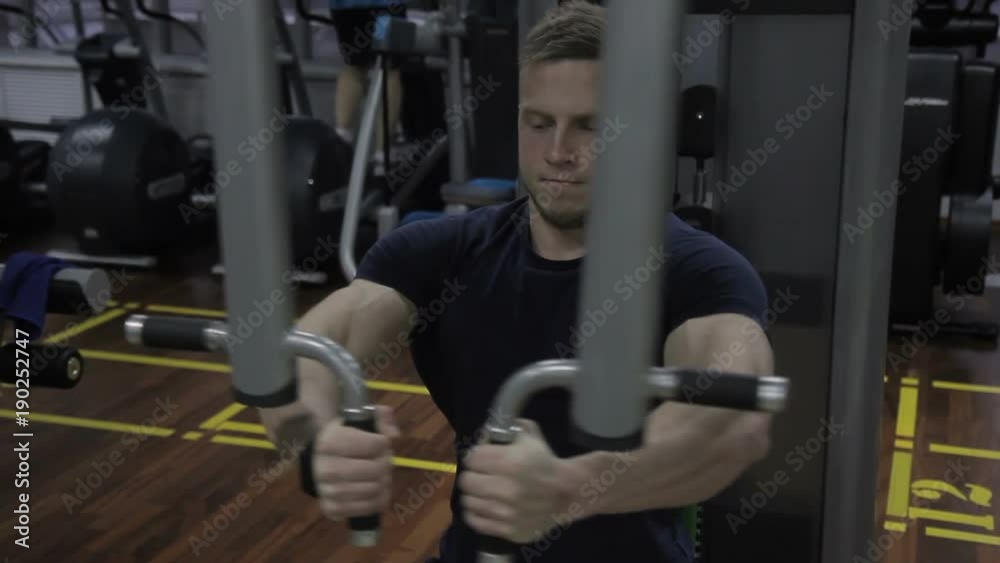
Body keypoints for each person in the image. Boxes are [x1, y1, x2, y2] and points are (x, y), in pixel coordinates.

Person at [260, 2, 776, 562]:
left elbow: (730, 424)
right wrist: (318, 444)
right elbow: (304, 355)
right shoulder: (444, 251)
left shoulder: (700, 270)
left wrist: (565, 488)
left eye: (590, 126)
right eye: (539, 123)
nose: (558, 153)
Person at [328, 0, 409, 169]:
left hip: (347, 6)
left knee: (354, 66)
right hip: (386, 5)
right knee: (390, 68)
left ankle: (342, 137)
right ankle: (383, 153)